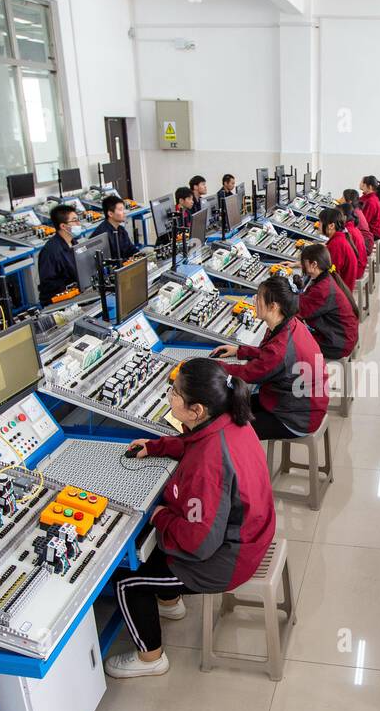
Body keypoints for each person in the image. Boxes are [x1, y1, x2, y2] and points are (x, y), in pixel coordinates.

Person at [111, 358, 275, 678]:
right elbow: (193, 443)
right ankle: (171, 604)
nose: (170, 396)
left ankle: (151, 658)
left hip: (225, 560)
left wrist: (160, 516)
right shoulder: (230, 423)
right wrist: (157, 446)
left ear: (196, 409)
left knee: (127, 579)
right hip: (251, 537)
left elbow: (199, 543)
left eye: (175, 391)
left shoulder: (208, 464)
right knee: (158, 541)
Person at [213, 276, 328, 440]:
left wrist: (214, 367)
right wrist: (240, 351)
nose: (254, 302)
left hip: (297, 417)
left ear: (273, 306)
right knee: (232, 405)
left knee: (230, 431)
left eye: (258, 298)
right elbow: (266, 353)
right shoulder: (290, 324)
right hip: (298, 402)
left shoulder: (279, 348)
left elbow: (249, 373)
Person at [296, 242, 359, 360]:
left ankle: (306, 376)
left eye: (304, 263)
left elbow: (299, 310)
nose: (303, 268)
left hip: (338, 343)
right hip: (344, 336)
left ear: (314, 264)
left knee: (293, 343)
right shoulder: (328, 278)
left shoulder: (322, 289)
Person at [37, 203, 79, 305]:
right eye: (74, 220)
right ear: (63, 226)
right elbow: (48, 284)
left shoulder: (74, 243)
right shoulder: (50, 252)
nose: (79, 223)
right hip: (59, 300)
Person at [318, 207, 361, 293]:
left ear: (331, 226)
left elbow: (331, 273)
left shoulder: (336, 245)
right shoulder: (340, 238)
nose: (317, 225)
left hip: (339, 294)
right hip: (344, 289)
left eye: (320, 223)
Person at [91, 195, 139, 263]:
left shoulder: (121, 229)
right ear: (110, 214)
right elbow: (108, 261)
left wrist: (140, 255)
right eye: (120, 209)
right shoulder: (101, 234)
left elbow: (130, 248)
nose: (124, 212)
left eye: (123, 209)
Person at [342, 188, 375, 257]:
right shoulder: (357, 209)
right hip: (366, 241)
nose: (341, 199)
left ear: (349, 202)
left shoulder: (352, 214)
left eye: (343, 197)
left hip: (365, 245)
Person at [358, 175, 380, 242]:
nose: (360, 184)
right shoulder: (366, 197)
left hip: (373, 232)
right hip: (369, 228)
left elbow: (364, 221)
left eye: (362, 183)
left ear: (369, 187)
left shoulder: (371, 201)